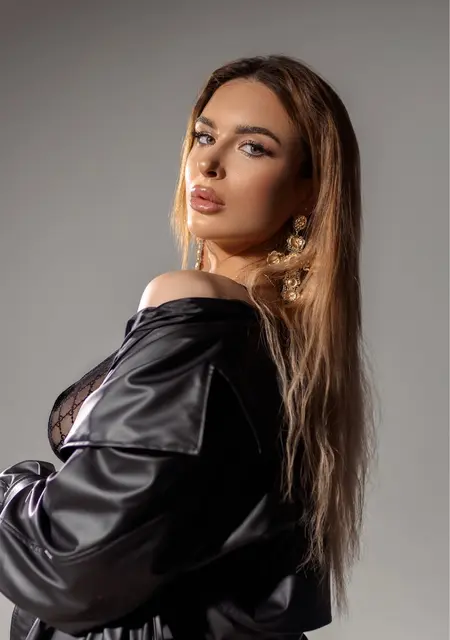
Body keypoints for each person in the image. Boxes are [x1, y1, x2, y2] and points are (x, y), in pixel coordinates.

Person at [1, 54, 375, 640]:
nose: (209, 162)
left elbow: (68, 564)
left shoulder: (195, 306)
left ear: (309, 189)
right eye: (204, 136)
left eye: (253, 147)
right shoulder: (293, 345)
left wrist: (10, 489)